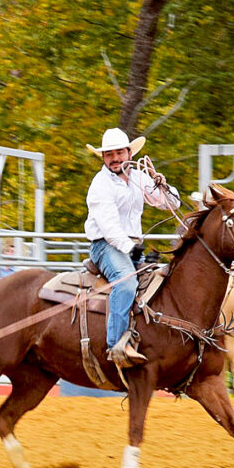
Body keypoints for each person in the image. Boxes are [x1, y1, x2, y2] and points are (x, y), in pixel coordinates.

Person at [84, 127, 180, 367]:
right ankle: (116, 345)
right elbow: (109, 227)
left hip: (131, 245)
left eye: (119, 152)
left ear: (128, 152)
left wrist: (162, 186)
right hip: (105, 245)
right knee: (126, 282)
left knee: (166, 278)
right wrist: (130, 248)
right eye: (109, 154)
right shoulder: (100, 185)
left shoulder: (138, 177)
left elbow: (172, 204)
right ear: (103, 157)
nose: (115, 158)